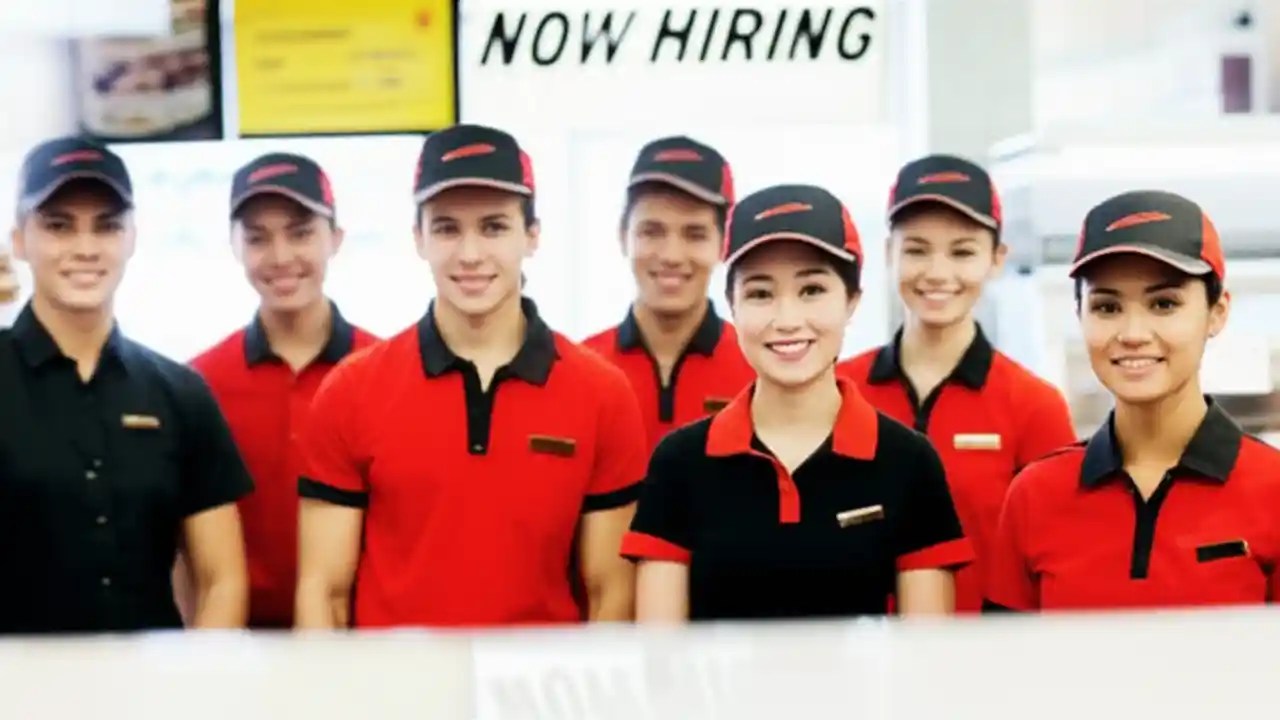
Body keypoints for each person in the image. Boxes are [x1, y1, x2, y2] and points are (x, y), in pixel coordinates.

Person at [294, 124, 648, 628]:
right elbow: (323, 593)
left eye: (494, 226)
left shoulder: (602, 394)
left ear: (533, 235)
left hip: (539, 700)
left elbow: (609, 594)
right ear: (418, 238)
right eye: (446, 228)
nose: (470, 254)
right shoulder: (351, 391)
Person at [622, 183, 973, 621]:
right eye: (760, 294)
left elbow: (925, 657)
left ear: (852, 302)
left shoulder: (908, 461)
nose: (787, 321)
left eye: (811, 291)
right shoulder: (680, 463)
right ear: (731, 304)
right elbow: (661, 661)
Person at [0, 136, 253, 633]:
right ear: (20, 242)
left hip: (149, 697)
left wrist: (195, 695)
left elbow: (222, 578)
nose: (86, 248)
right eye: (58, 226)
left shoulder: (180, 393)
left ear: (132, 237)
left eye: (107, 226)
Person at [985, 190, 1280, 611]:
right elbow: (1003, 669)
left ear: (1217, 312)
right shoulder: (1035, 496)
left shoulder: (1274, 489)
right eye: (1107, 307)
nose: (1133, 333)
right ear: (1080, 316)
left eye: (1164, 304)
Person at [838, 154, 1076, 613]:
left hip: (986, 665)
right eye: (917, 249)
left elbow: (1054, 560)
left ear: (996, 259)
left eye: (963, 251)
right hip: (858, 662)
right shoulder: (837, 390)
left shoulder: (1033, 406)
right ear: (889, 254)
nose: (937, 272)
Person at [186, 152, 379, 628]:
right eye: (257, 238)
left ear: (335, 238)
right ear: (234, 246)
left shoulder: (383, 374)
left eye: (300, 232)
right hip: (240, 646)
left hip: (363, 645)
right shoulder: (198, 384)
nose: (280, 257)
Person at [582, 137, 754, 453]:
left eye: (694, 234)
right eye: (652, 231)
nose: (672, 255)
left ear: (724, 244)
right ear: (623, 236)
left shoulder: (760, 372)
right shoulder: (578, 371)